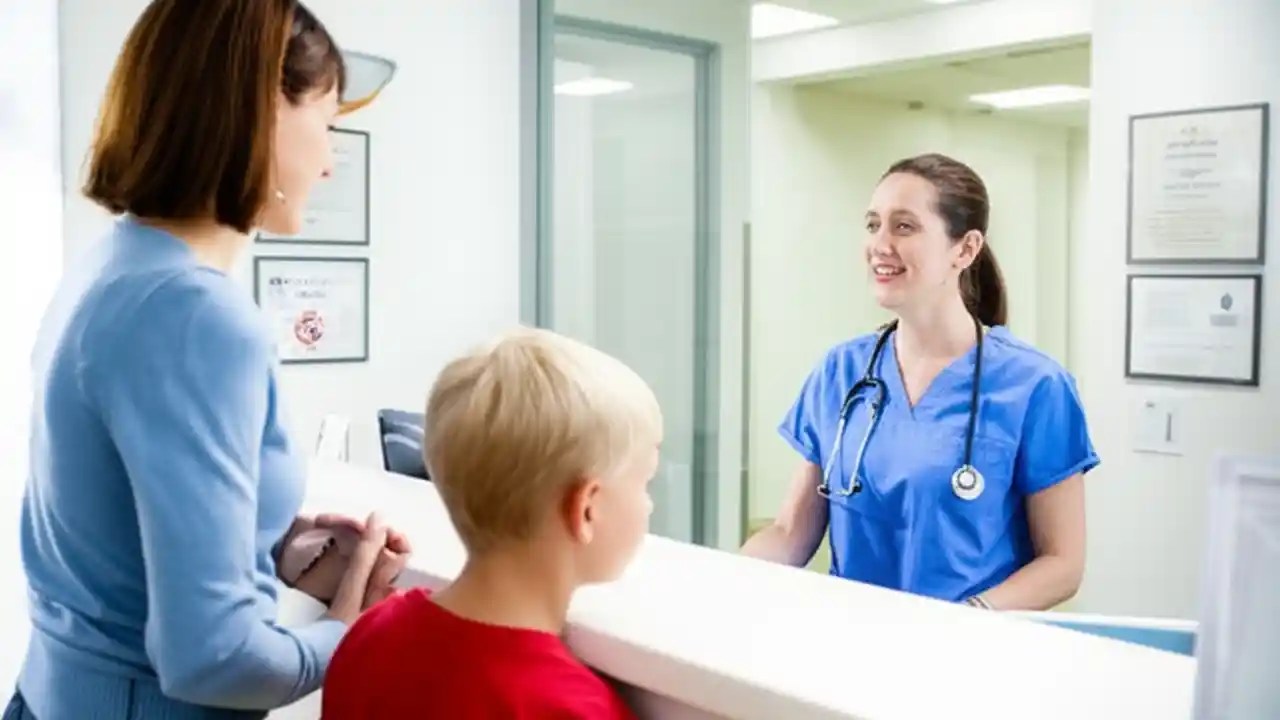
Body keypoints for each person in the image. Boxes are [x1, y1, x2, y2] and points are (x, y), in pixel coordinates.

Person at [8, 2, 409, 718]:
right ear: (261, 113)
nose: (330, 160)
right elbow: (213, 658)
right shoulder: (196, 314)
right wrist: (348, 636)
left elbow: (110, 522)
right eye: (328, 122)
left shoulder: (110, 269)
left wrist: (272, 540)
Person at [742, 153, 1098, 611]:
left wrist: (965, 621)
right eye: (873, 225)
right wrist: (722, 578)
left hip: (967, 656)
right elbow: (791, 534)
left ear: (965, 249)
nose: (880, 244)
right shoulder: (842, 372)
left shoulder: (1035, 386)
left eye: (904, 226)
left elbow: (1062, 564)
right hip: (849, 644)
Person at [321, 327, 657, 718]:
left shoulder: (371, 636)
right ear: (587, 509)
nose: (649, 505)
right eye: (644, 483)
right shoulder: (573, 709)